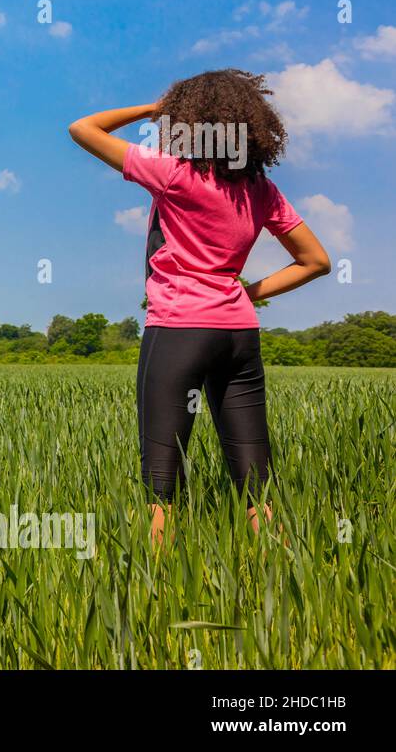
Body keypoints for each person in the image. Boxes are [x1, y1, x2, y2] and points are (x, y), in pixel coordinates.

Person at [68, 69, 330, 545]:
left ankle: (158, 589)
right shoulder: (261, 190)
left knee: (162, 475)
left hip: (178, 328)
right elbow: (316, 262)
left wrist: (151, 109)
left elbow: (82, 129)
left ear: (188, 121)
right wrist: (246, 293)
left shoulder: (173, 174)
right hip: (238, 333)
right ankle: (277, 573)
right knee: (255, 476)